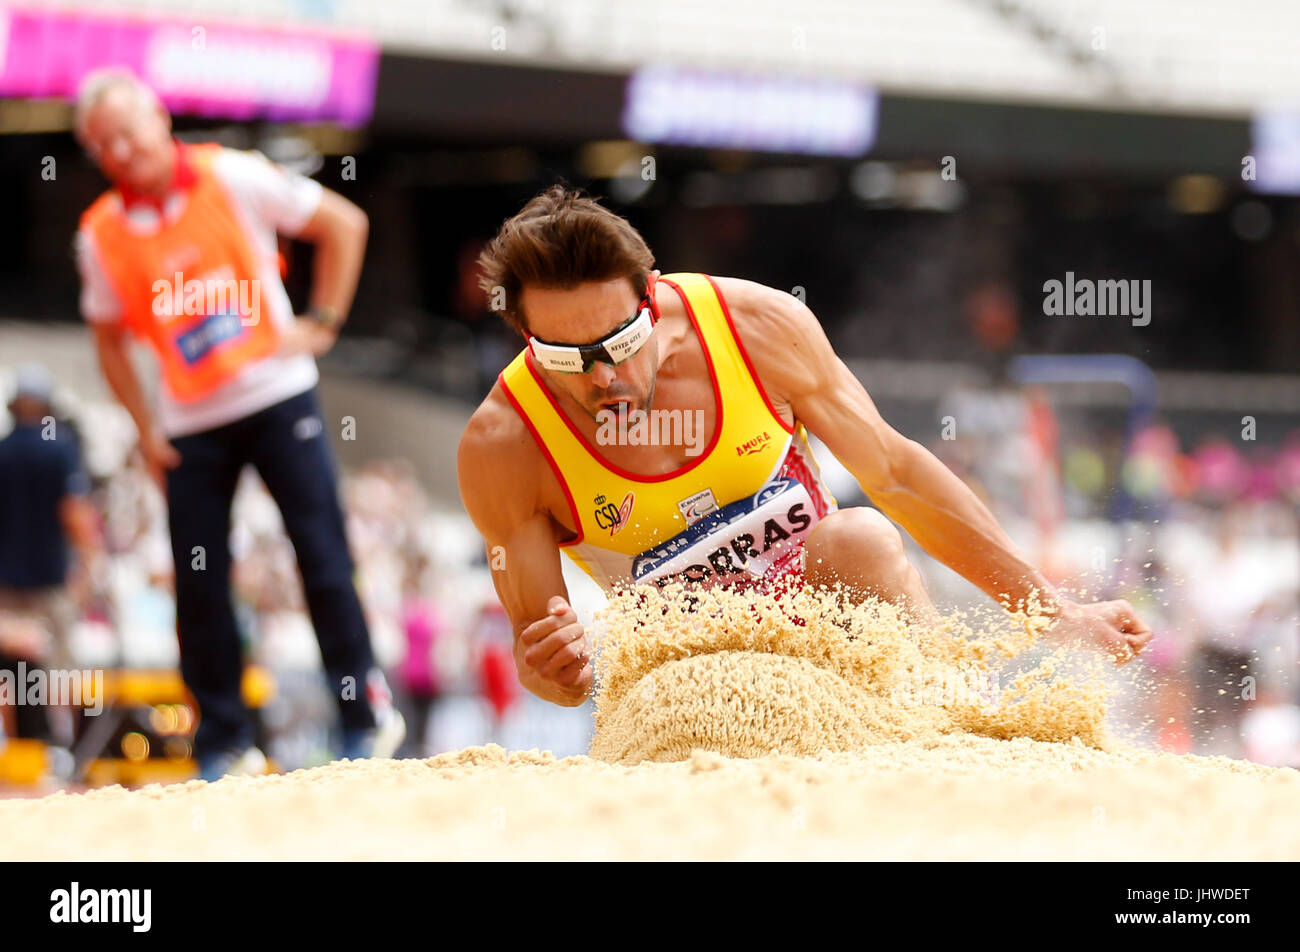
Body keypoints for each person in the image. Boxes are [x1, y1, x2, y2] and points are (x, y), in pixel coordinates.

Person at [457, 186, 1152, 707]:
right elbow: (553, 676)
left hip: (827, 619)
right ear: (525, 339)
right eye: (569, 357)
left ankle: (949, 722)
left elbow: (898, 474)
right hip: (686, 673)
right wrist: (554, 669)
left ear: (651, 297)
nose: (604, 375)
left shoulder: (758, 326)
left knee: (862, 538)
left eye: (620, 343)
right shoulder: (503, 444)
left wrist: (1053, 612)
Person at [72, 68, 402, 778]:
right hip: (189, 423)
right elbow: (106, 338)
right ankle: (223, 741)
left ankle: (365, 716)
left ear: (159, 118)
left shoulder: (235, 176)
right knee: (199, 581)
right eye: (103, 145)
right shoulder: (100, 235)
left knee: (323, 558)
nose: (121, 151)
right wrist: (144, 426)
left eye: (127, 131)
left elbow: (345, 222)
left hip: (279, 397)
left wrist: (321, 323)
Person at [0, 364, 98, 771]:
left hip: (6, 582)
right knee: (59, 667)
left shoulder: (2, 450)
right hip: (51, 582)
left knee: (9, 670)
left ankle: (14, 750)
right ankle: (66, 754)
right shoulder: (60, 449)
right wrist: (90, 563)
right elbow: (73, 512)